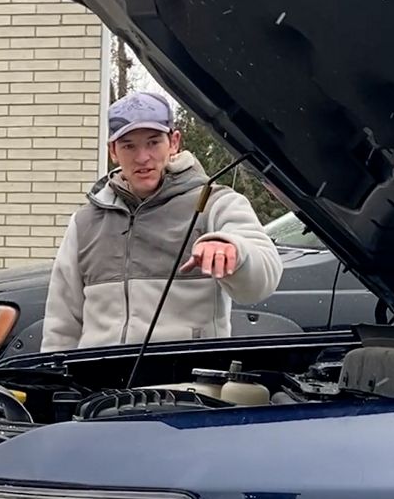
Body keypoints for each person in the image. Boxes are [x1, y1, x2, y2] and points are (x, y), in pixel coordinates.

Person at [41, 91, 282, 352]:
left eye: (153, 142)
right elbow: (61, 324)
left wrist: (235, 251)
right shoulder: (85, 222)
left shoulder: (215, 204)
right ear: (113, 151)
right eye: (128, 146)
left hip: (185, 384)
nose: (142, 157)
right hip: (102, 386)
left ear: (174, 142)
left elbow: (262, 282)